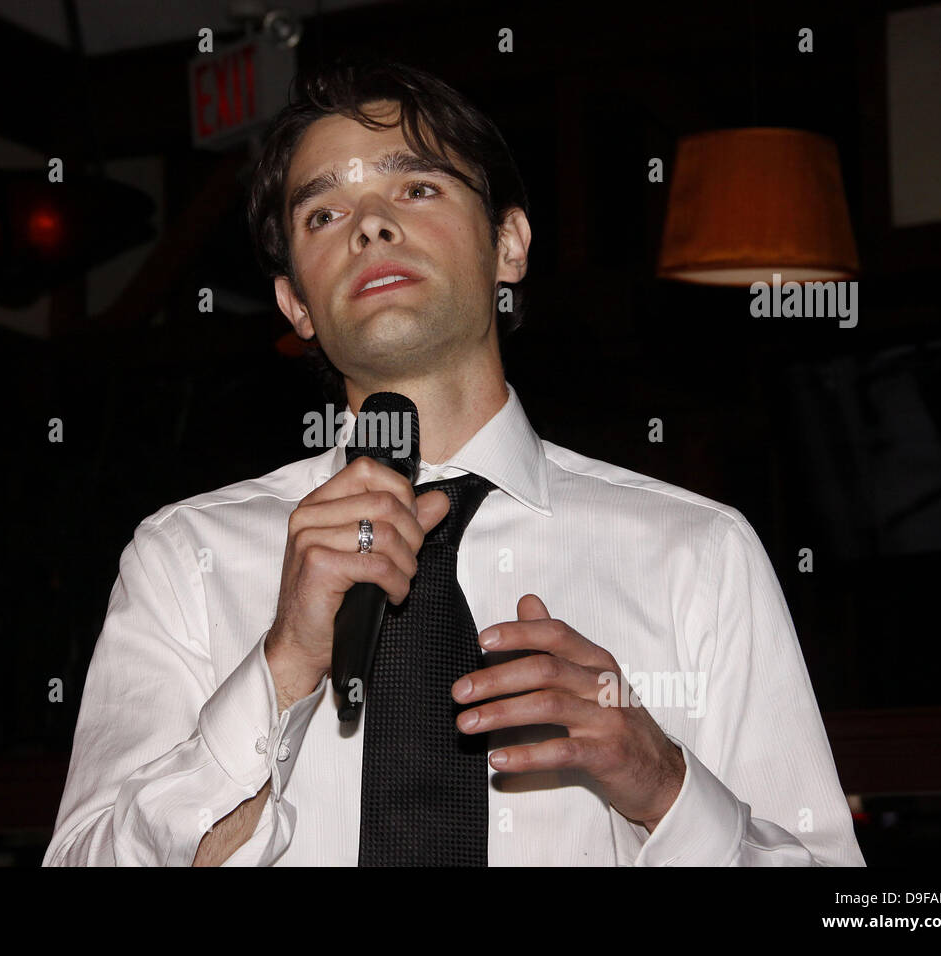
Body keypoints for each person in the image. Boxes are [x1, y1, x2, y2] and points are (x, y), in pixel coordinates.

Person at [43, 59, 865, 866]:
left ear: (509, 244)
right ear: (296, 304)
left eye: (418, 188)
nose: (370, 224)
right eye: (323, 214)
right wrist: (283, 666)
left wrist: (663, 787)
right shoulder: (184, 558)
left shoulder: (700, 551)